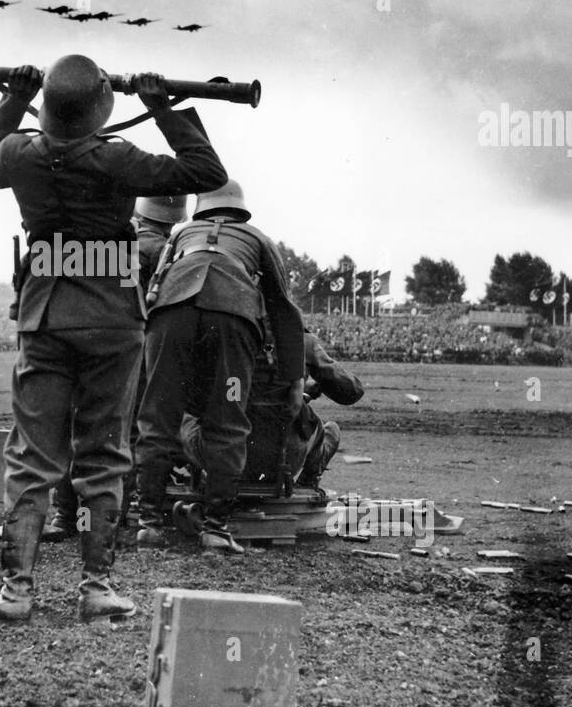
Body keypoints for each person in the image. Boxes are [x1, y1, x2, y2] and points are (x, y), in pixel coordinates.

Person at [0, 55, 226, 621]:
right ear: (102, 108)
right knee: (104, 453)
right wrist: (162, 106)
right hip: (111, 316)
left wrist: (13, 97)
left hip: (46, 314)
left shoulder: (19, 152)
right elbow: (205, 171)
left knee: (32, 457)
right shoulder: (118, 158)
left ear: (49, 107)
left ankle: (16, 591)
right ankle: (96, 588)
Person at [133, 179, 306, 553]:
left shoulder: (179, 235)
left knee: (157, 417)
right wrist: (294, 380)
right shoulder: (258, 239)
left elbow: (153, 285)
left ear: (201, 206)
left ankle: (147, 524)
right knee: (227, 422)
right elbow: (284, 311)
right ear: (239, 206)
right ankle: (215, 527)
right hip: (231, 319)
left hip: (170, 315)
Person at [46, 193, 189, 537]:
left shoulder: (112, 238)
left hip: (84, 342)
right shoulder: (166, 251)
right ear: (174, 217)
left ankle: (65, 516)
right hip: (131, 352)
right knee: (124, 437)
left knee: (78, 430)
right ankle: (106, 523)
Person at [180, 331, 363, 507]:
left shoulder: (222, 334)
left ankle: (192, 473)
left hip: (224, 456)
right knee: (328, 429)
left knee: (187, 414)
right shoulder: (302, 341)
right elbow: (352, 392)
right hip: (283, 461)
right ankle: (307, 483)